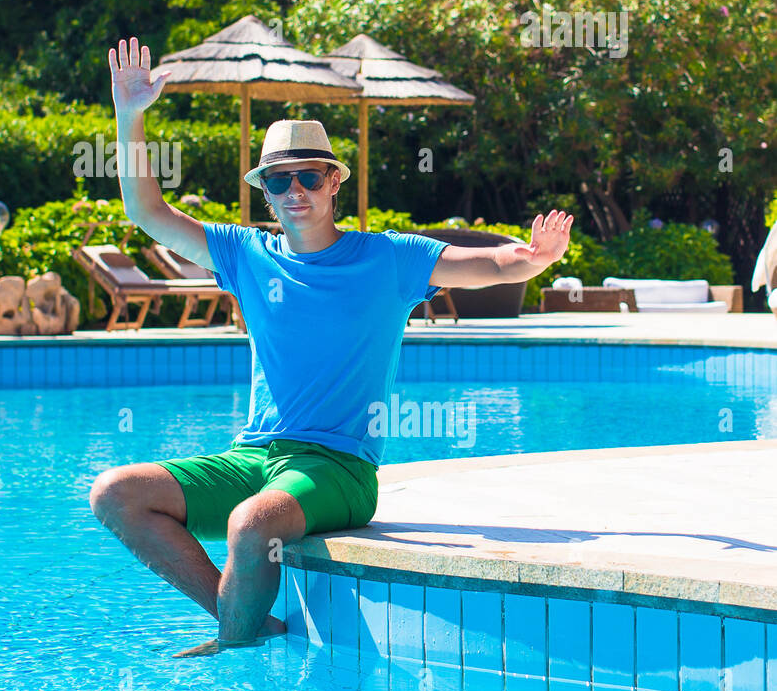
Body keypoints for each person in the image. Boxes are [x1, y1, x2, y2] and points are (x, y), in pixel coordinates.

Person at [90, 36, 573, 657]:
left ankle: (235, 657)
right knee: (115, 492)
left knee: (249, 524)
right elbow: (146, 210)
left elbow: (487, 265)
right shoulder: (245, 254)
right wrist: (130, 116)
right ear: (266, 191)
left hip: (339, 468)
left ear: (333, 183)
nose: (295, 190)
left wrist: (532, 259)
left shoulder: (387, 258)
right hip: (256, 458)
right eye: (279, 180)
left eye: (308, 176)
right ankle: (243, 622)